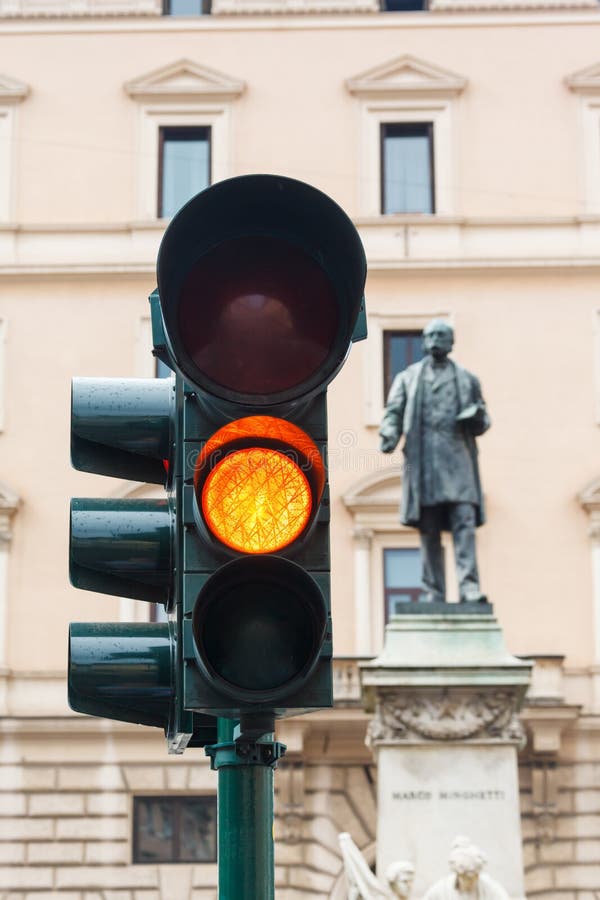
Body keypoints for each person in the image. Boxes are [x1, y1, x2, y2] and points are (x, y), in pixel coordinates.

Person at [380, 320, 490, 603]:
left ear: (451, 342)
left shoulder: (468, 379)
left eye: (441, 335)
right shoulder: (407, 378)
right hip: (424, 463)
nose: (434, 340)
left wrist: (475, 416)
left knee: (463, 522)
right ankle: (433, 591)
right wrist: (389, 434)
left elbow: (484, 421)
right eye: (429, 335)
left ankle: (469, 586)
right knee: (428, 529)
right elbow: (393, 412)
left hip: (458, 461)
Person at [422, 837, 509, 900]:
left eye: (475, 875)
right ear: (458, 875)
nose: (472, 880)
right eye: (467, 877)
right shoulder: (442, 890)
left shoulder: (489, 888)